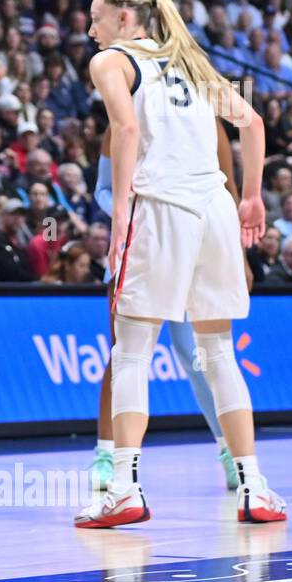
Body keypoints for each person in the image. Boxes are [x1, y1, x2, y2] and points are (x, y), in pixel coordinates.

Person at [75, 0, 285, 529]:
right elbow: (254, 123)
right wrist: (254, 198)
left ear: (125, 19)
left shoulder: (112, 62)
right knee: (219, 354)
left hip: (161, 207)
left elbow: (124, 128)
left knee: (131, 353)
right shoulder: (190, 60)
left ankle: (123, 487)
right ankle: (252, 486)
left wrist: (120, 209)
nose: (89, 28)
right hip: (215, 208)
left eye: (95, 17)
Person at [87, 120, 245, 496]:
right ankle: (107, 455)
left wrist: (238, 251)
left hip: (198, 246)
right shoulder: (123, 119)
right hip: (140, 243)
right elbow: (104, 191)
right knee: (124, 353)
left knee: (198, 355)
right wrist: (136, 210)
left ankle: (230, 451)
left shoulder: (210, 124)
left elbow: (229, 192)